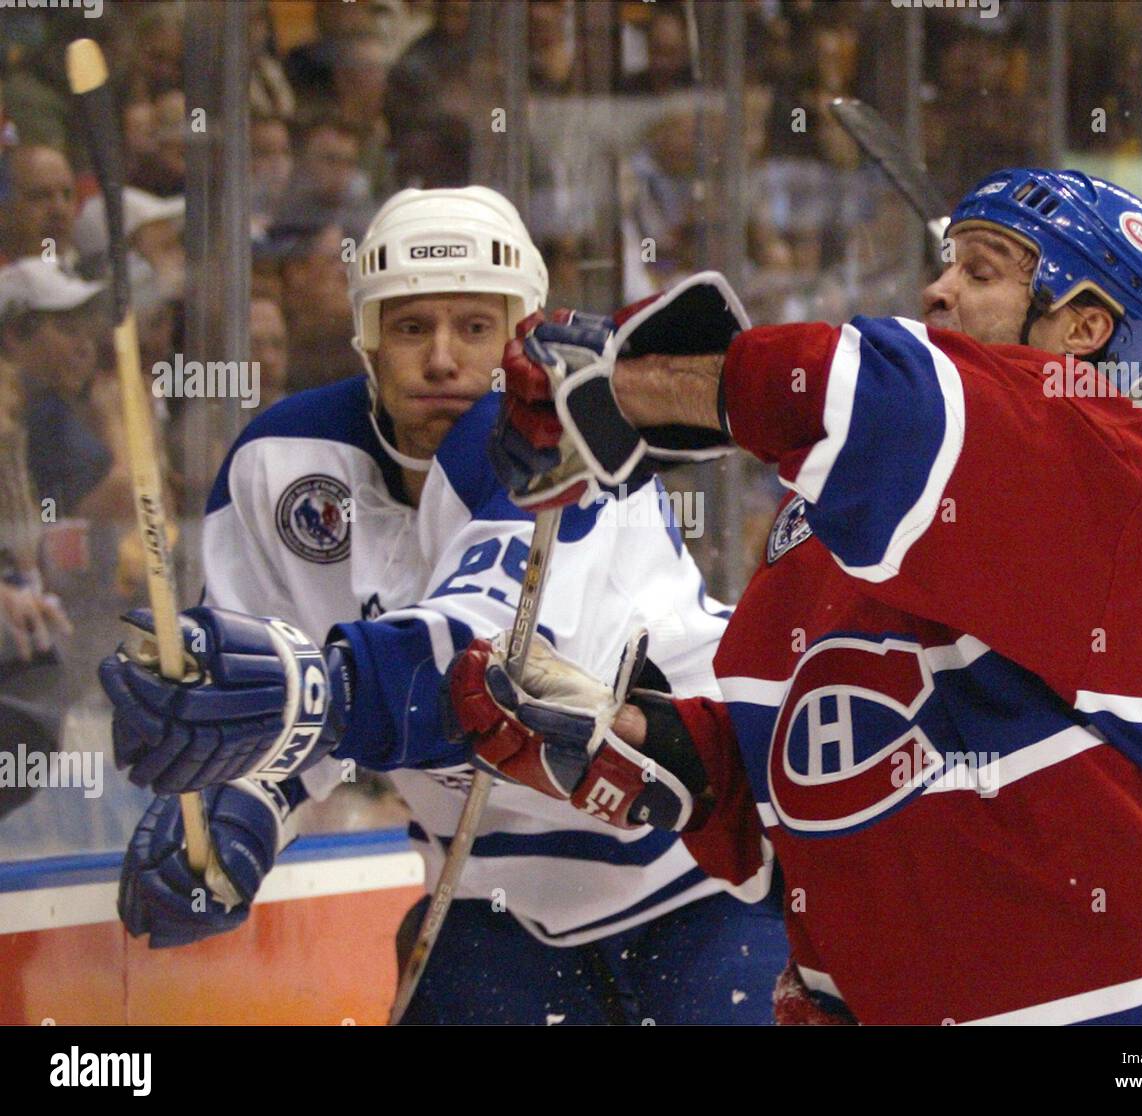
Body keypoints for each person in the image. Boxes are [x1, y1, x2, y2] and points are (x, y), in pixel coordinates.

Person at [463, 168, 1142, 1025]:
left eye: (983, 271)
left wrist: (628, 384)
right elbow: (816, 789)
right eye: (948, 261)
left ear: (1083, 329)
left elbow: (881, 396)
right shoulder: (838, 524)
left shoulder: (1123, 476)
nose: (939, 287)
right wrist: (632, 739)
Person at [99, 187, 787, 1025]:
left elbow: (475, 669)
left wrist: (304, 691)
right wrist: (232, 820)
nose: (441, 361)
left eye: (474, 328)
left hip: (697, 878)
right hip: (492, 901)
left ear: (523, 337)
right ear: (368, 341)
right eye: (411, 327)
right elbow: (261, 691)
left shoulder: (569, 449)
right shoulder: (283, 462)